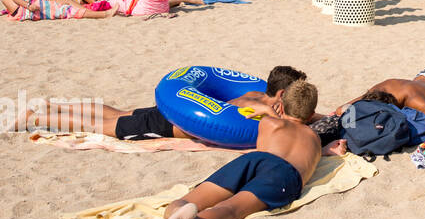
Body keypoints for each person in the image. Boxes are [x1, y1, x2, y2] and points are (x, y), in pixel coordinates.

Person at [111, 80, 323, 219]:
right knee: (229, 210)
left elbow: (255, 114)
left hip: (255, 159)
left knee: (186, 200)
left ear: (282, 105)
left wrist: (270, 113)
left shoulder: (268, 123)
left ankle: (177, 212)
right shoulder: (315, 139)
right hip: (284, 174)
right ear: (311, 115)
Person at [21, 65, 309, 140]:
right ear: (281, 95)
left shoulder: (261, 94)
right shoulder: (260, 105)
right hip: (171, 123)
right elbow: (233, 114)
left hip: (179, 106)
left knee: (122, 111)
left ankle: (52, 106)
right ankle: (36, 118)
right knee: (105, 126)